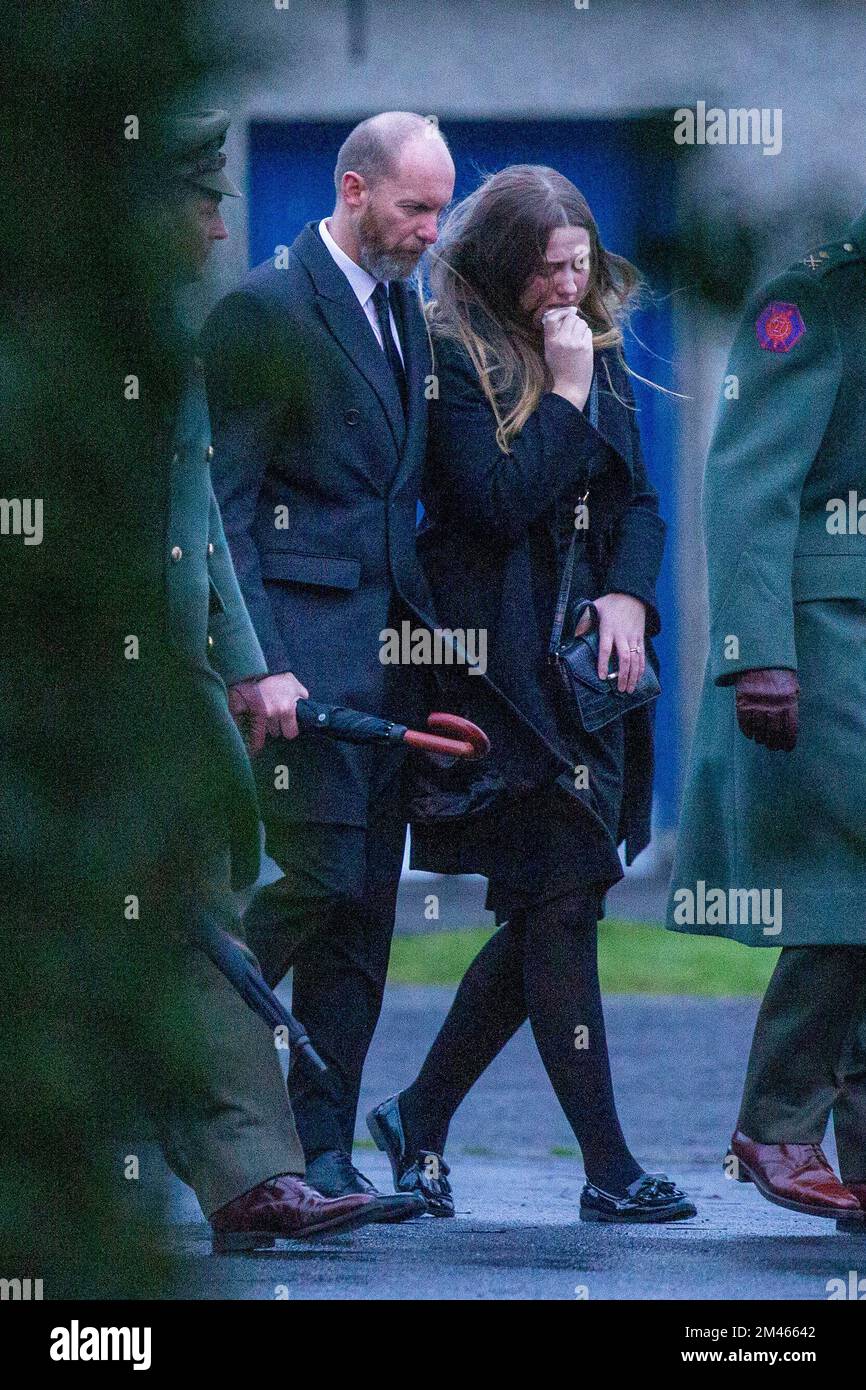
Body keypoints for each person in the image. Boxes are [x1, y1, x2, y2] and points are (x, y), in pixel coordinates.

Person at [366, 165, 696, 1224]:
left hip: (583, 674)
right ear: (502, 267)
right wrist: (557, 392)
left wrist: (630, 602)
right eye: (547, 267)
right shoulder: (448, 354)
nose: (569, 284)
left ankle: (418, 1114)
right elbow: (493, 503)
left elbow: (637, 499)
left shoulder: (589, 342)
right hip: (492, 672)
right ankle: (604, 1168)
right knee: (558, 902)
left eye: (580, 263)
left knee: (555, 901)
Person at [99, 110, 383, 1251]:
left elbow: (197, 531)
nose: (221, 225)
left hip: (157, 683)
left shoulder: (159, 334)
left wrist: (242, 665)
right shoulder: (59, 330)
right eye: (200, 202)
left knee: (204, 907)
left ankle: (250, 1176)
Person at [201, 112, 455, 1217]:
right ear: (353, 190)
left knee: (362, 911)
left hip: (385, 665)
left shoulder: (401, 303)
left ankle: (324, 1155)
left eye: (440, 210)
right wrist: (253, 663)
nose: (430, 232)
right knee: (297, 889)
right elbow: (224, 505)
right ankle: (208, 1114)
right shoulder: (264, 307)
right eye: (414, 208)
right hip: (298, 672)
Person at [666, 210, 866, 1233]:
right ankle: (776, 1121)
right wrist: (758, 655)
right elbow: (746, 480)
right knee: (842, 877)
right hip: (825, 632)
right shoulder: (812, 298)